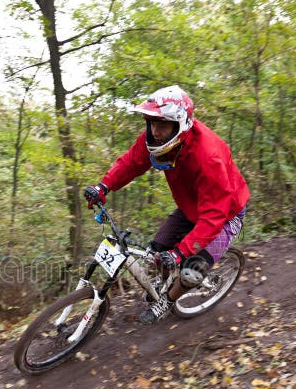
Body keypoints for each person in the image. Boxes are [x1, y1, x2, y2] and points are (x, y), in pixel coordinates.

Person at [84, 85, 250, 324]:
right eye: (151, 123)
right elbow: (131, 163)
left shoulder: (208, 157)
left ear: (180, 123)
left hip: (225, 214)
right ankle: (164, 282)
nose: (155, 130)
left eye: (161, 124)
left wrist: (180, 251)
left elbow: (214, 215)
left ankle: (168, 300)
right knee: (157, 250)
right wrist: (103, 187)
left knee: (191, 270)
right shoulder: (155, 139)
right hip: (190, 208)